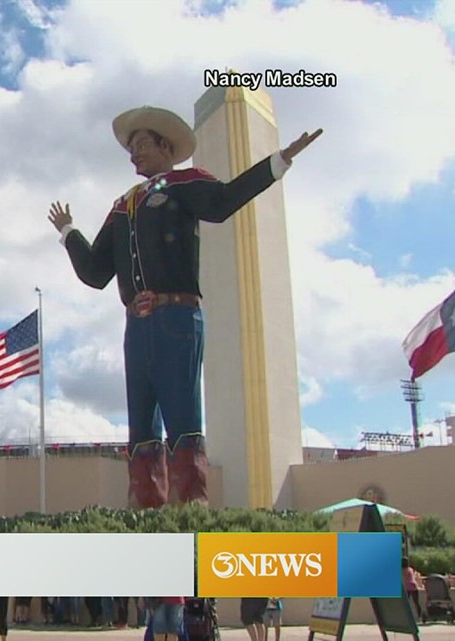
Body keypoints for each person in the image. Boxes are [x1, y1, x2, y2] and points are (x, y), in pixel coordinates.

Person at [49, 106, 321, 508]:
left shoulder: (184, 183)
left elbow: (224, 202)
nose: (134, 154)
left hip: (177, 317)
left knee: (182, 416)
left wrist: (278, 162)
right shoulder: (124, 206)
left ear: (167, 147)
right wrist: (70, 232)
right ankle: (147, 509)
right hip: (136, 326)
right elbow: (95, 272)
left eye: (142, 144)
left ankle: (192, 508)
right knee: (141, 425)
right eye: (131, 147)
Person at [404, 557, 425, 623]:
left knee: (406, 603)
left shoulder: (401, 570)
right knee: (416, 602)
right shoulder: (410, 569)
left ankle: (407, 617)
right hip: (413, 586)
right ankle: (419, 617)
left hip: (407, 587)